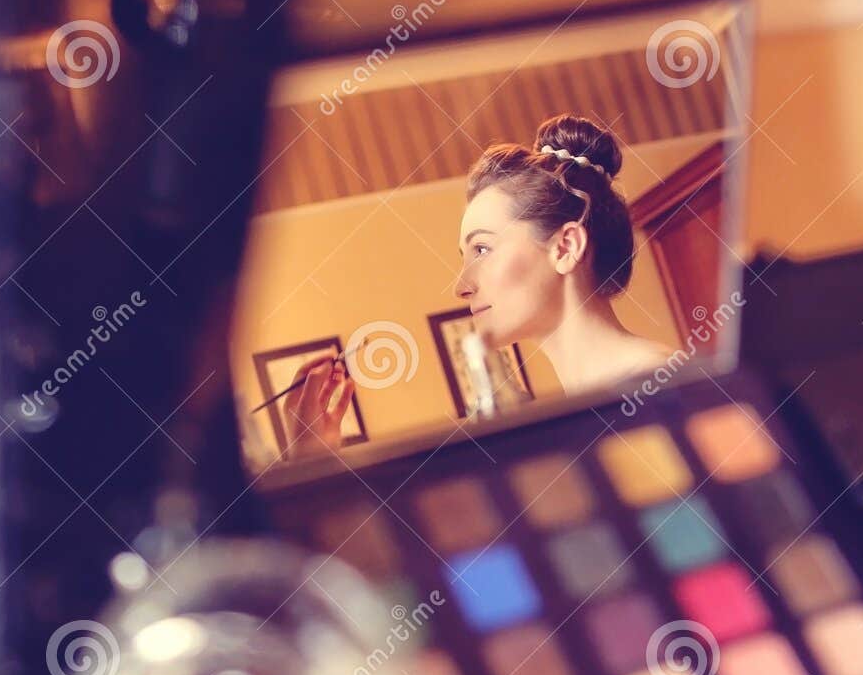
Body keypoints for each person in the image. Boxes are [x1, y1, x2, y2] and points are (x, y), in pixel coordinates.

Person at [282, 113, 666, 457]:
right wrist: (312, 455)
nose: (461, 286)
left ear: (565, 247)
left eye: (482, 248)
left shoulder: (657, 386)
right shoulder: (579, 407)